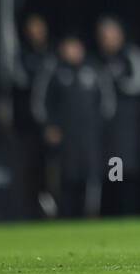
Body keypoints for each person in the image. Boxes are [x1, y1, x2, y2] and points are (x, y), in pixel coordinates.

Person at [31, 34, 115, 218]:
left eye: (75, 46)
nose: (72, 51)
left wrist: (98, 128)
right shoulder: (53, 69)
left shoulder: (94, 69)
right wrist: (48, 126)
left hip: (89, 138)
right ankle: (61, 217)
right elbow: (39, 103)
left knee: (91, 179)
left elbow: (108, 104)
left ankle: (91, 216)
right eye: (68, 46)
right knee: (64, 180)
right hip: (64, 138)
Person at [95, 16, 140, 216]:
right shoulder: (98, 60)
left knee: (128, 175)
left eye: (111, 34)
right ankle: (114, 215)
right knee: (113, 175)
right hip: (108, 132)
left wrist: (117, 83)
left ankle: (129, 215)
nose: (107, 39)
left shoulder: (130, 54)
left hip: (128, 129)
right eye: (104, 35)